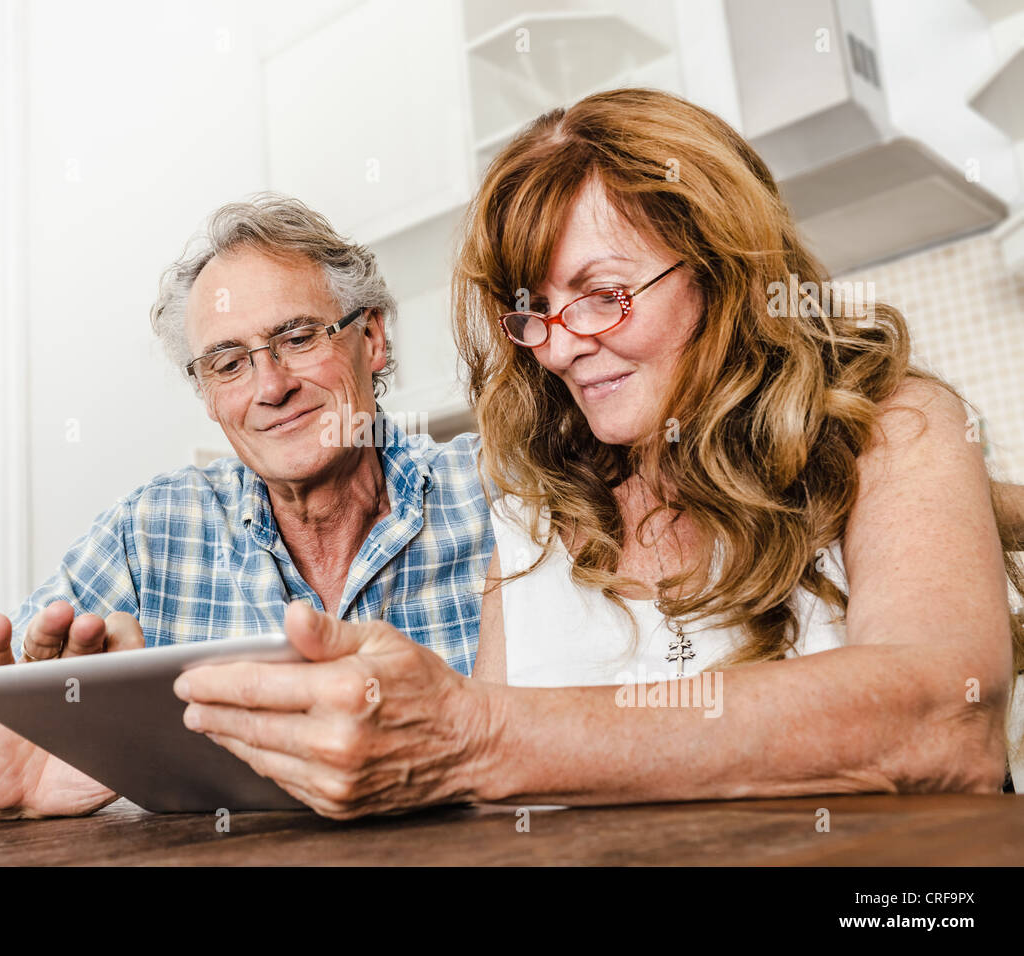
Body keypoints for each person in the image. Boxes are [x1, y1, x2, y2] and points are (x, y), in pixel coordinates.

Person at [173, 89, 1024, 817]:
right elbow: (503, 808)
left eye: (603, 296)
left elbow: (944, 717)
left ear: (723, 269)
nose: (558, 348)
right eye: (535, 309)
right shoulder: (531, 502)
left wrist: (479, 734)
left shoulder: (897, 428)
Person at [0, 196, 493, 820]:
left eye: (297, 338)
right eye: (229, 363)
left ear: (374, 337)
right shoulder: (153, 530)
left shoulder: (498, 495)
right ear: (208, 395)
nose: (270, 387)